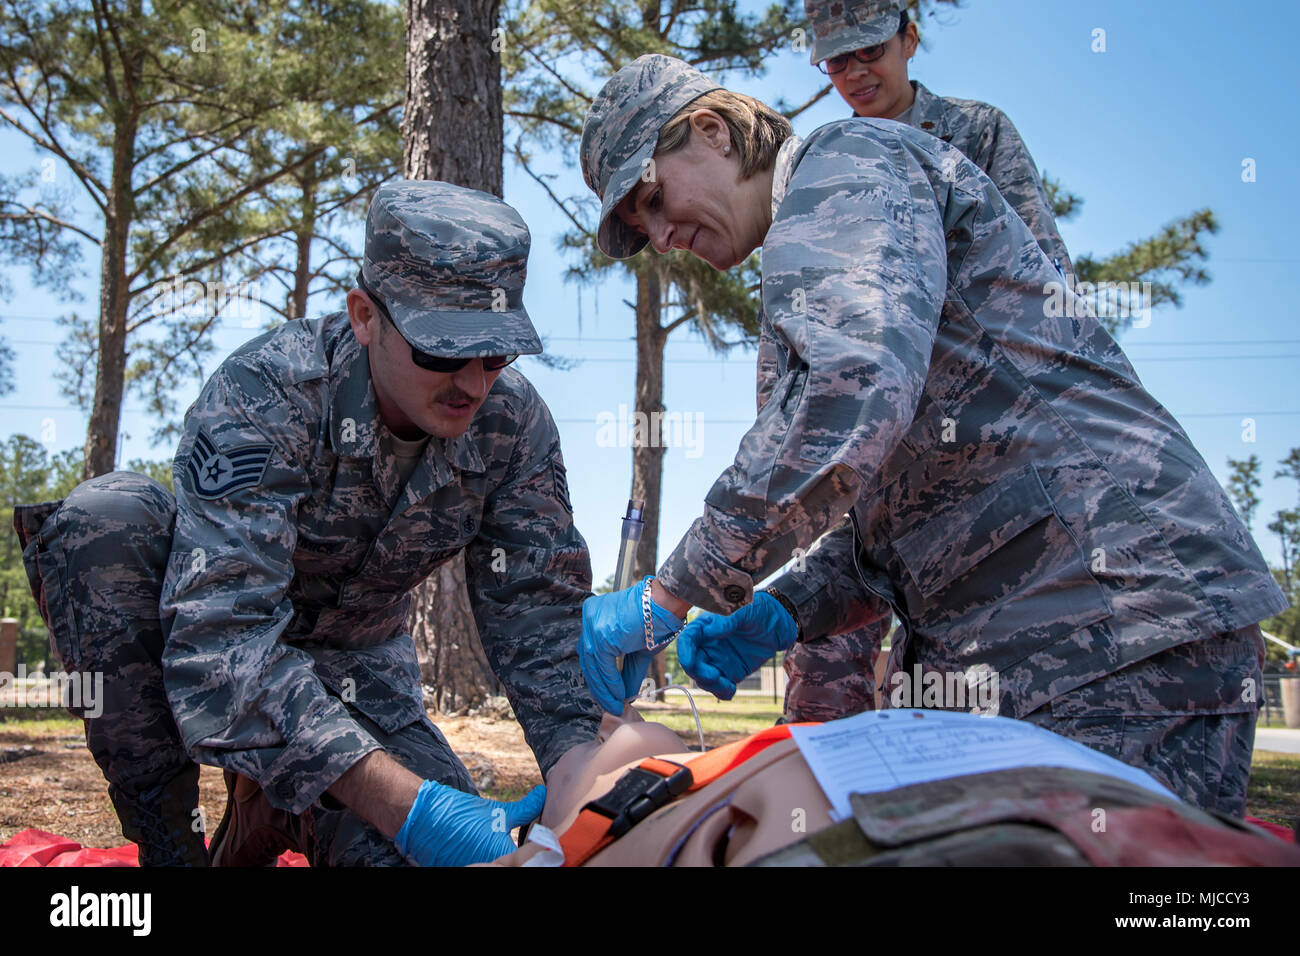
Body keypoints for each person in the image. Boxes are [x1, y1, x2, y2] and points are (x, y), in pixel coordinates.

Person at [574, 54, 1288, 818]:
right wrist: (789, 607)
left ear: (710, 131)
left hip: (1112, 622)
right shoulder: (823, 241)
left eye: (650, 198)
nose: (660, 233)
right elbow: (904, 506)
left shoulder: (844, 164)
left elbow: (850, 395)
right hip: (1049, 637)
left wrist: (671, 589)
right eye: (638, 229)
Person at [13, 180, 602, 866]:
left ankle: (273, 806)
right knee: (106, 520)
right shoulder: (269, 392)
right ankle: (172, 849)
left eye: (496, 355)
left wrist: (578, 784)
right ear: (364, 316)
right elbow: (221, 638)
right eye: (442, 351)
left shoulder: (513, 425)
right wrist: (409, 807)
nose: (472, 384)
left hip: (358, 677)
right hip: (206, 655)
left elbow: (540, 618)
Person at [782, 0, 1078, 723]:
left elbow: (1044, 281)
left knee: (959, 680)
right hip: (867, 448)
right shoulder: (826, 162)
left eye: (869, 51)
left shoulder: (976, 132)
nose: (855, 72)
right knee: (824, 666)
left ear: (910, 38)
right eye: (836, 60)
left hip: (972, 444)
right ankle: (819, 811)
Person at [487, 707, 1300, 867]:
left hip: (1013, 810)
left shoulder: (612, 805)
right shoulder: (651, 793)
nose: (609, 727)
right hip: (1086, 799)